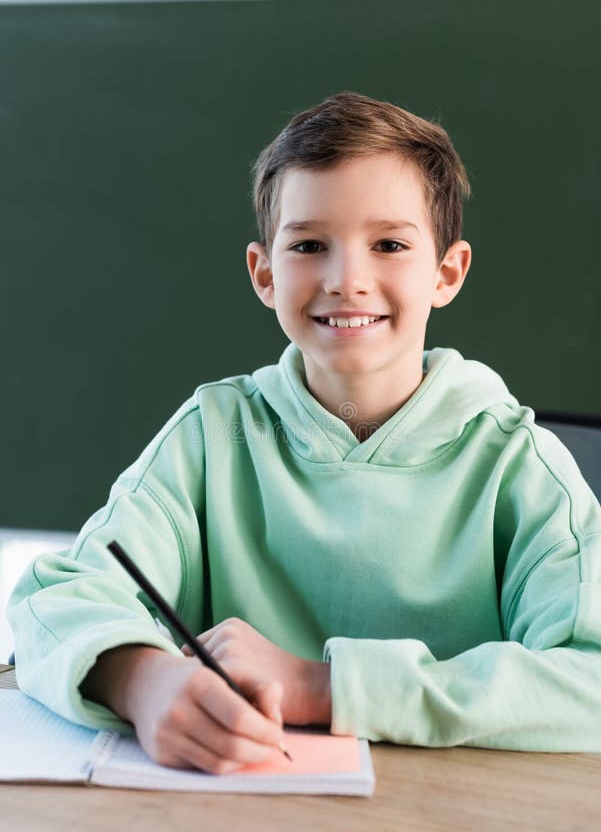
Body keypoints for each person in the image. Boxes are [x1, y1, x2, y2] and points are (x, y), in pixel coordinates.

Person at [8, 92, 601, 775]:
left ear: (446, 273)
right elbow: (54, 602)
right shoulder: (211, 437)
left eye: (388, 244)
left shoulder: (518, 466)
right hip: (237, 825)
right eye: (309, 245)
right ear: (265, 274)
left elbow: (587, 678)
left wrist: (323, 687)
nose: (347, 280)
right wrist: (139, 679)